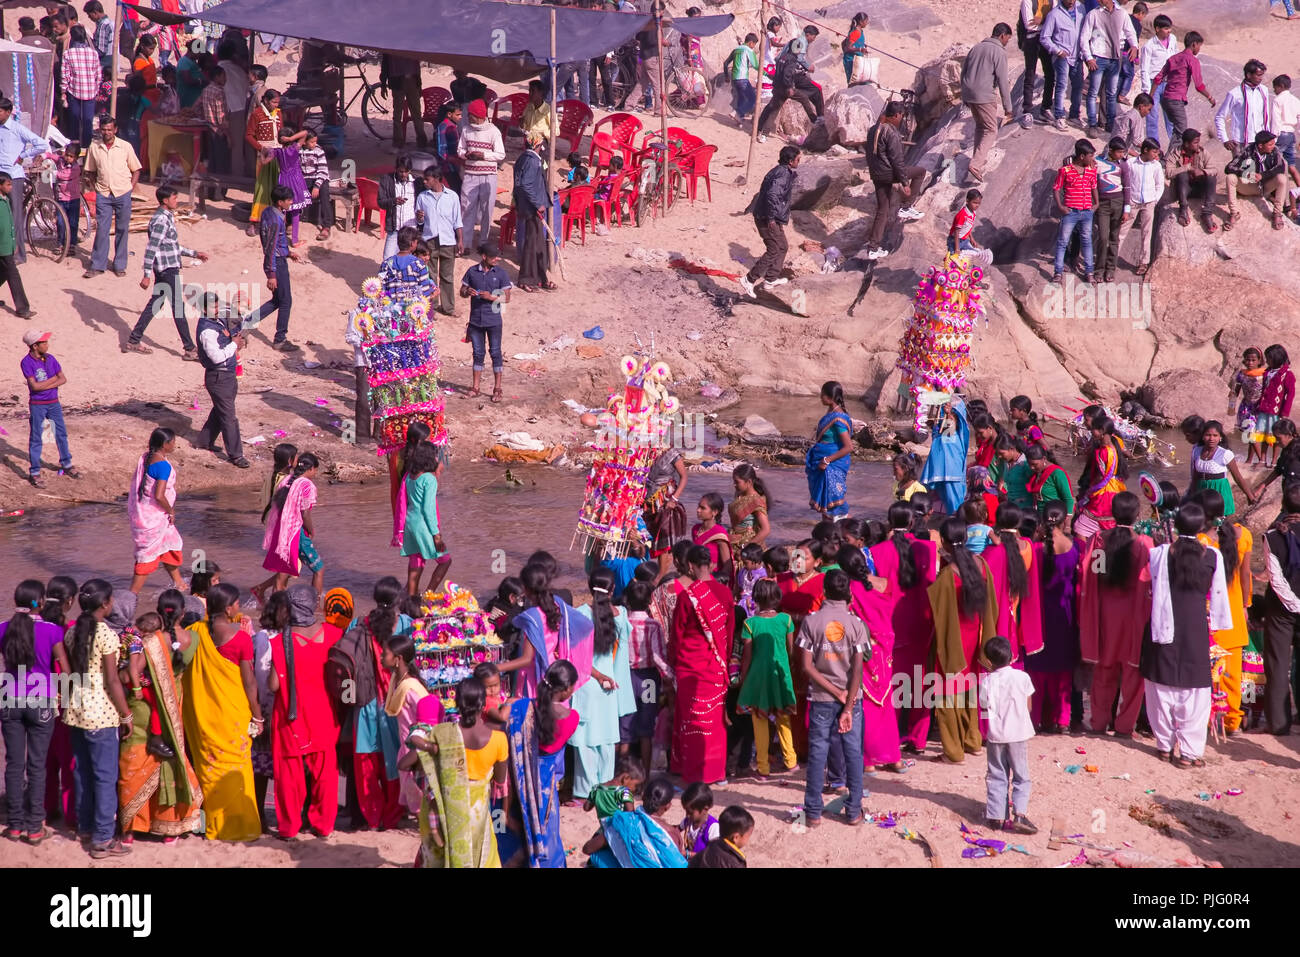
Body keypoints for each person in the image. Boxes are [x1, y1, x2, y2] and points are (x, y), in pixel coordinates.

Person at [1143, 502, 1232, 767]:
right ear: (1203, 526)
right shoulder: (1213, 556)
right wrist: (1218, 625)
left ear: (1176, 524)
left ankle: (1163, 745)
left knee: (1160, 686)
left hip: (1162, 625)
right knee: (1196, 691)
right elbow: (1218, 596)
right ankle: (1190, 753)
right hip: (1195, 628)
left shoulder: (1159, 553)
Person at [183, 583, 262, 840]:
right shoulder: (241, 639)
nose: (239, 607)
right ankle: (240, 825)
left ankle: (211, 823)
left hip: (203, 714)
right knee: (237, 766)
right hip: (232, 713)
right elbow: (249, 682)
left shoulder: (194, 633)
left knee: (209, 767)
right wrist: (258, 714)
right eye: (237, 603)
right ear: (228, 608)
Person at [117, 602, 200, 843]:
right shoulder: (193, 639)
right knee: (170, 762)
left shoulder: (148, 643)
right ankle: (169, 828)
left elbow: (128, 673)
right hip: (174, 706)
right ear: (181, 614)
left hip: (142, 708)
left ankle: (131, 830)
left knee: (133, 765)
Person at [62, 580, 132, 858]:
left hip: (75, 711)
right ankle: (103, 838)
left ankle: (87, 826)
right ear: (105, 604)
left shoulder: (72, 632)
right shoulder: (106, 635)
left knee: (83, 773)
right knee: (105, 777)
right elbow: (113, 680)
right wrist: (126, 714)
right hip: (100, 713)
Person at [267, 583, 339, 839]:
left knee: (289, 775)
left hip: (290, 716)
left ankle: (289, 826)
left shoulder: (278, 642)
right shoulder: (333, 634)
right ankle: (323, 825)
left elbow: (274, 684)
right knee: (325, 773)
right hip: (325, 714)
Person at [797, 569, 868, 826]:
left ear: (823, 591)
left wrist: (833, 691)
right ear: (848, 592)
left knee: (818, 752)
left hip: (821, 699)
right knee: (853, 753)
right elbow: (858, 669)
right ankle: (853, 810)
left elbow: (807, 667)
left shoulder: (811, 622)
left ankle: (813, 812)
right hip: (851, 699)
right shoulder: (856, 624)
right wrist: (847, 704)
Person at [1, 580, 69, 845]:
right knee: (37, 765)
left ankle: (15, 825)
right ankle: (35, 826)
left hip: (9, 700)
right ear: (40, 602)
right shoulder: (52, 631)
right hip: (40, 700)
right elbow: (63, 666)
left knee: (14, 764)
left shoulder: (3, 629)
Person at [929, 518, 998, 763]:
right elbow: (992, 604)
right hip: (976, 637)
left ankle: (953, 751)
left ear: (945, 543)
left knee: (947, 695)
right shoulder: (980, 564)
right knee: (970, 690)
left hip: (954, 639)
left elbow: (933, 609)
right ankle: (972, 741)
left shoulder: (948, 574)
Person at [669, 545, 733, 785]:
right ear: (713, 566)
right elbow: (728, 633)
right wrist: (724, 662)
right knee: (714, 721)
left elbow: (678, 634)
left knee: (692, 720)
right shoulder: (725, 594)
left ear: (690, 567)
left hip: (690, 666)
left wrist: (673, 660)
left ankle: (693, 774)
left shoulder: (688, 596)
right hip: (716, 665)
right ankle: (717, 773)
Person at [1192, 488, 1252, 736]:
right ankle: (1232, 722)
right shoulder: (1244, 535)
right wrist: (1247, 605)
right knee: (1232, 674)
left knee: (1208, 672)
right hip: (1235, 613)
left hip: (1209, 614)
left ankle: (1207, 720)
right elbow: (1246, 576)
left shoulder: (1201, 541)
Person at [127, 186, 207, 357]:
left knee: (156, 304)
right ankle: (190, 349)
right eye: (174, 198)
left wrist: (194, 253)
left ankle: (134, 340)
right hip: (166, 269)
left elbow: (171, 245)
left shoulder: (166, 217)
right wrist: (146, 274)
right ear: (165, 200)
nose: (176, 201)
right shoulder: (161, 221)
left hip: (167, 267)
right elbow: (151, 248)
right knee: (178, 307)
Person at [736, 578, 796, 779]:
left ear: (756, 598)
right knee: (783, 718)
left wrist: (743, 679)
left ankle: (763, 768)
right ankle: (791, 761)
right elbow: (790, 650)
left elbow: (747, 656)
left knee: (759, 721)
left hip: (758, 677)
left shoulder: (750, 623)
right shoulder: (786, 620)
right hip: (780, 674)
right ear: (777, 598)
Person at [979, 635, 1037, 833]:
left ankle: (996, 817)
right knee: (1021, 776)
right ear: (1012, 656)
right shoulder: (1022, 677)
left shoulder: (986, 682)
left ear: (988, 661)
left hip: (995, 737)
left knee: (996, 774)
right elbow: (1028, 707)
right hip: (1018, 735)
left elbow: (984, 708)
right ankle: (1019, 814)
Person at [862, 103, 927, 260]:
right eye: (902, 116)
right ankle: (906, 207)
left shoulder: (873, 129)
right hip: (888, 173)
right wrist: (905, 183)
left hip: (876, 174)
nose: (901, 119)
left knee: (882, 209)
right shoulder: (891, 132)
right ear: (896, 115)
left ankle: (873, 248)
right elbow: (897, 161)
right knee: (920, 172)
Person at [126, 427, 184, 595]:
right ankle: (132, 595)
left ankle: (179, 582)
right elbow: (159, 495)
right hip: (155, 517)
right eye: (173, 442)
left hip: (146, 513)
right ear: (165, 444)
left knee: (169, 546)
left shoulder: (147, 457)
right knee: (146, 557)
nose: (175, 445)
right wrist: (171, 511)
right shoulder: (163, 466)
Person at [1262, 483, 1300, 733]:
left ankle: (1278, 724)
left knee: (1277, 663)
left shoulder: (1272, 536)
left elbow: (1275, 578)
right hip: (1291, 606)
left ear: (1283, 506)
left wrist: (1294, 603)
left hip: (1281, 609)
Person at [194, 293, 248, 469]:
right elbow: (216, 357)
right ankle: (236, 455)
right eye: (213, 307)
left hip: (227, 375)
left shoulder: (217, 321)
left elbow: (236, 320)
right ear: (203, 308)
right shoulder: (207, 330)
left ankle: (203, 441)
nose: (217, 310)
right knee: (229, 417)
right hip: (218, 377)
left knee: (221, 410)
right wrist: (234, 344)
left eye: (218, 306)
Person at [258, 451, 324, 596]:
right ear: (311, 468)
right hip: (295, 532)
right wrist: (311, 531)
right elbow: (305, 513)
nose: (315, 474)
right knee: (318, 569)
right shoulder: (307, 485)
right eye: (315, 470)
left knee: (286, 569)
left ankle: (263, 591)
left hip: (281, 529)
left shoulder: (287, 480)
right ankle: (315, 605)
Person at [21, 329, 78, 489]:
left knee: (61, 434)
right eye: (44, 342)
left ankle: (67, 464)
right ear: (34, 346)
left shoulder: (51, 359)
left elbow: (63, 379)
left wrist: (46, 384)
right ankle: (34, 472)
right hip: (38, 405)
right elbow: (34, 386)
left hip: (54, 403)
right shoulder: (26, 362)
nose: (47, 344)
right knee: (37, 437)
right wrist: (53, 380)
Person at [739, 145, 799, 296]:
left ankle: (770, 279)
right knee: (774, 249)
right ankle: (749, 279)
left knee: (783, 246)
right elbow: (772, 195)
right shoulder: (783, 174)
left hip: (768, 216)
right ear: (791, 161)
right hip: (767, 218)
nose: (799, 162)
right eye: (798, 159)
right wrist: (772, 218)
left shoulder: (780, 170)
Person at [248, 185, 300, 352]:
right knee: (286, 301)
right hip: (277, 264)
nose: (291, 202)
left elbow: (276, 243)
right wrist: (271, 274)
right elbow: (270, 248)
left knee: (278, 300)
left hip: (279, 259)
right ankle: (280, 339)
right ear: (280, 202)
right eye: (288, 200)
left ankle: (248, 322)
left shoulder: (270, 213)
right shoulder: (276, 220)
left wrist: (288, 252)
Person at [961, 24, 1014, 184]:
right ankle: (975, 164)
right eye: (1007, 39)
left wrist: (964, 94)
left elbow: (964, 72)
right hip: (984, 96)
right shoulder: (998, 52)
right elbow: (1003, 81)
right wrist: (1008, 108)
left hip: (969, 93)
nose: (1007, 42)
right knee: (991, 130)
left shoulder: (976, 47)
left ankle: (977, 158)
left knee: (981, 127)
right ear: (1002, 35)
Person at [460, 240, 512, 401]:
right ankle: (475, 387)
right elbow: (462, 291)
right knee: (478, 353)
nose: (496, 259)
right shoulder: (472, 272)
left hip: (494, 321)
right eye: (493, 257)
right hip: (475, 321)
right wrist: (467, 291)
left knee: (495, 352)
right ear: (484, 257)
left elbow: (507, 298)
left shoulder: (501, 274)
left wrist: (491, 297)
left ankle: (498, 388)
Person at [398, 440, 449, 595]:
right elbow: (428, 509)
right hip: (423, 526)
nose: (436, 459)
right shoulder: (429, 479)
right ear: (428, 458)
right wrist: (436, 535)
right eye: (435, 456)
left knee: (416, 562)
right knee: (445, 561)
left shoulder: (409, 477)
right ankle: (429, 595)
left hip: (410, 523)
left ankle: (411, 599)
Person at [1080, 0, 1137, 134]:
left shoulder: (1122, 14)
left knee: (1111, 93)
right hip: (1098, 57)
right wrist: (1088, 57)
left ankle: (1110, 124)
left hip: (1115, 58)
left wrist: (1134, 46)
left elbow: (1130, 32)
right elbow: (1084, 37)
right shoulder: (1093, 14)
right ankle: (1092, 124)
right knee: (1093, 92)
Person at [757, 24, 824, 137]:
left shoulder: (791, 44)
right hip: (790, 80)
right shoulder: (799, 46)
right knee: (816, 89)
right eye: (813, 36)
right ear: (808, 35)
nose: (814, 39)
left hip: (779, 81)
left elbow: (778, 59)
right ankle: (818, 119)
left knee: (774, 106)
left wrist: (776, 76)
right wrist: (790, 87)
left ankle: (760, 129)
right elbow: (791, 70)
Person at [1151, 31, 1215, 147]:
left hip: (1166, 99)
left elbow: (1158, 78)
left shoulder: (1173, 58)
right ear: (1194, 44)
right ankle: (1169, 160)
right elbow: (1199, 85)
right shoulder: (1192, 60)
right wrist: (1209, 97)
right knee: (1181, 131)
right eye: (1199, 46)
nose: (1199, 49)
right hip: (1176, 99)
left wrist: (1151, 96)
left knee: (1177, 130)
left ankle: (1172, 158)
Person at [414, 166, 462, 317]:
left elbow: (457, 221)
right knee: (430, 274)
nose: (425, 182)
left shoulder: (452, 196)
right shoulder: (422, 197)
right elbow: (419, 222)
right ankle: (431, 307)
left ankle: (448, 307)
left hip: (448, 240)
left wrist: (460, 240)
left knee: (447, 276)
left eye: (427, 179)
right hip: (430, 240)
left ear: (436, 179)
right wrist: (420, 217)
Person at [458, 100, 505, 253]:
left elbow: (500, 154)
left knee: (486, 210)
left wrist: (483, 155)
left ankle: (483, 242)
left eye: (471, 115)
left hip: (488, 176)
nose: (469, 118)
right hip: (470, 174)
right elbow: (460, 150)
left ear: (478, 115)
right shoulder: (466, 130)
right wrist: (467, 155)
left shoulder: (493, 131)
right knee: (466, 208)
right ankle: (465, 244)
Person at [1052, 138, 1098, 284]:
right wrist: (1060, 206)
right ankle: (1058, 273)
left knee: (1087, 241)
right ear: (1082, 156)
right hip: (1071, 211)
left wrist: (1096, 203)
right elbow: (1056, 188)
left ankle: (1089, 272)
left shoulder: (1091, 171)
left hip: (1087, 211)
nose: (1092, 158)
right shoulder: (1065, 171)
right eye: (1090, 155)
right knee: (1063, 241)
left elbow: (1094, 187)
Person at [806, 380, 854, 519]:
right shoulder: (831, 412)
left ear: (829, 397)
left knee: (836, 503)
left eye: (822, 395)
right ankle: (827, 536)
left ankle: (850, 530)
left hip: (832, 464)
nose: (820, 398)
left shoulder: (838, 419)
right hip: (824, 461)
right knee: (825, 504)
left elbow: (848, 447)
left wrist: (827, 460)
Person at [1226, 130, 1290, 231]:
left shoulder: (1274, 151)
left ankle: (1277, 213)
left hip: (1266, 187)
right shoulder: (1248, 151)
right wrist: (1246, 173)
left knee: (1282, 178)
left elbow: (1280, 167)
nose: (1273, 146)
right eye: (1270, 144)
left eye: (1273, 143)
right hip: (1250, 186)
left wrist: (1262, 175)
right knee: (1230, 178)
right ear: (1260, 145)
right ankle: (1234, 213)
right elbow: (1229, 167)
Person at [1041, 0, 1085, 131]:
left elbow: (1088, 29)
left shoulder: (1082, 9)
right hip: (1062, 56)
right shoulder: (1054, 14)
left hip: (1077, 55)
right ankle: (1059, 116)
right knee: (1062, 84)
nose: (1071, 1)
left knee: (1078, 85)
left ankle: (1074, 115)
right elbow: (1044, 37)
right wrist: (1057, 51)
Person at [1215, 59, 1272, 161]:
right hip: (1241, 142)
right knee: (1243, 174)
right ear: (1248, 75)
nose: (1261, 78)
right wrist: (1225, 139)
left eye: (1262, 75)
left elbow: (1266, 115)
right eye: (1258, 75)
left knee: (1260, 174)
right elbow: (1220, 117)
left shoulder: (1264, 90)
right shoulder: (1235, 93)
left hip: (1261, 141)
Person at [1163, 126, 1218, 232]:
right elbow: (1168, 173)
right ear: (1187, 144)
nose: (1198, 145)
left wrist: (1202, 172)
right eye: (1195, 142)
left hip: (1200, 189)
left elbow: (1215, 170)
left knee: (1211, 177)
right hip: (1183, 190)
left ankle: (1207, 213)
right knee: (1182, 174)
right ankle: (1183, 209)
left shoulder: (1202, 152)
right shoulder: (1175, 153)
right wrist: (1186, 167)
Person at [1125, 137, 1165, 278]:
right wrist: (1127, 201)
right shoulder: (1131, 163)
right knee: (1121, 231)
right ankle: (1110, 260)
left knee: (1146, 233)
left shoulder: (1156, 166)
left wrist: (1154, 200)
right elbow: (1126, 182)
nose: (1156, 155)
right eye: (1154, 152)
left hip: (1149, 203)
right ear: (1145, 150)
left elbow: (1159, 185)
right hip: (1133, 202)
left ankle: (1144, 262)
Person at [1094, 137, 1132, 284]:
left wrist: (1126, 209)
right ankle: (1099, 270)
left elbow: (1127, 187)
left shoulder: (1123, 164)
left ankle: (1110, 269)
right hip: (1102, 204)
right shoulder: (1097, 162)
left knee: (1114, 238)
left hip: (1118, 202)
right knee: (1103, 238)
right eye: (1119, 152)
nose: (1122, 155)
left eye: (1123, 152)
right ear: (1110, 150)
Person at [376, 155, 421, 262]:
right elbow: (380, 202)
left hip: (411, 229)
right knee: (388, 259)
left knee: (411, 261)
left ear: (410, 170)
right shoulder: (387, 180)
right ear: (396, 169)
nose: (404, 175)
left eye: (406, 171)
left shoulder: (417, 182)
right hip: (394, 229)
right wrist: (393, 201)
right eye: (401, 171)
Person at [59, 23, 98, 147]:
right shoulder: (93, 53)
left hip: (74, 91)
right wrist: (95, 88)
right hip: (90, 91)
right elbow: (98, 74)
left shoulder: (68, 54)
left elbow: (65, 75)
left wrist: (63, 91)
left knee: (74, 120)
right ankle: (86, 147)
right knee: (88, 121)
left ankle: (74, 146)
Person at [1019, 0, 1057, 126]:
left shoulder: (1052, 1)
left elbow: (1055, 19)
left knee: (1050, 74)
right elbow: (1029, 25)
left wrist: (1041, 21)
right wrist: (1047, 23)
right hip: (1031, 40)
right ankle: (1027, 111)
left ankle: (1045, 107)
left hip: (1046, 39)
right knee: (1030, 74)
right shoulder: (1027, 1)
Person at [380, 53, 425, 150]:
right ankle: (420, 141)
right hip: (406, 81)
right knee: (414, 113)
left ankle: (399, 141)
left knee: (399, 114)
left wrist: (383, 85)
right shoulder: (411, 43)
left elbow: (385, 67)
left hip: (401, 81)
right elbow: (417, 67)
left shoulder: (389, 47)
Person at [0, 172, 30, 318]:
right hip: (2, 246)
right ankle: (22, 308)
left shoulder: (6, 200)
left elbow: (11, 224)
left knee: (4, 272)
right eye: (8, 185)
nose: (11, 187)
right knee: (13, 275)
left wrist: (14, 243)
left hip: (7, 245)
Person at [688, 805, 753, 867]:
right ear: (736, 837)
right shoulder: (736, 863)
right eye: (748, 836)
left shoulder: (712, 845)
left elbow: (694, 863)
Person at [730, 32, 759, 123]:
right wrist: (767, 73)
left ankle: (740, 119)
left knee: (741, 97)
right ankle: (737, 112)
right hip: (742, 78)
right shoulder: (749, 50)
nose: (753, 47)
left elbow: (726, 63)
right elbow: (756, 65)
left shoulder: (736, 49)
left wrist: (727, 76)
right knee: (752, 99)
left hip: (734, 78)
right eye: (754, 45)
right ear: (751, 43)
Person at [842, 12, 870, 86]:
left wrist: (862, 45)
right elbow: (848, 47)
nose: (867, 23)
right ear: (861, 22)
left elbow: (845, 42)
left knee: (862, 80)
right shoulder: (856, 32)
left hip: (857, 60)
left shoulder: (859, 31)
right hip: (851, 60)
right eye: (866, 21)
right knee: (853, 82)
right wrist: (860, 49)